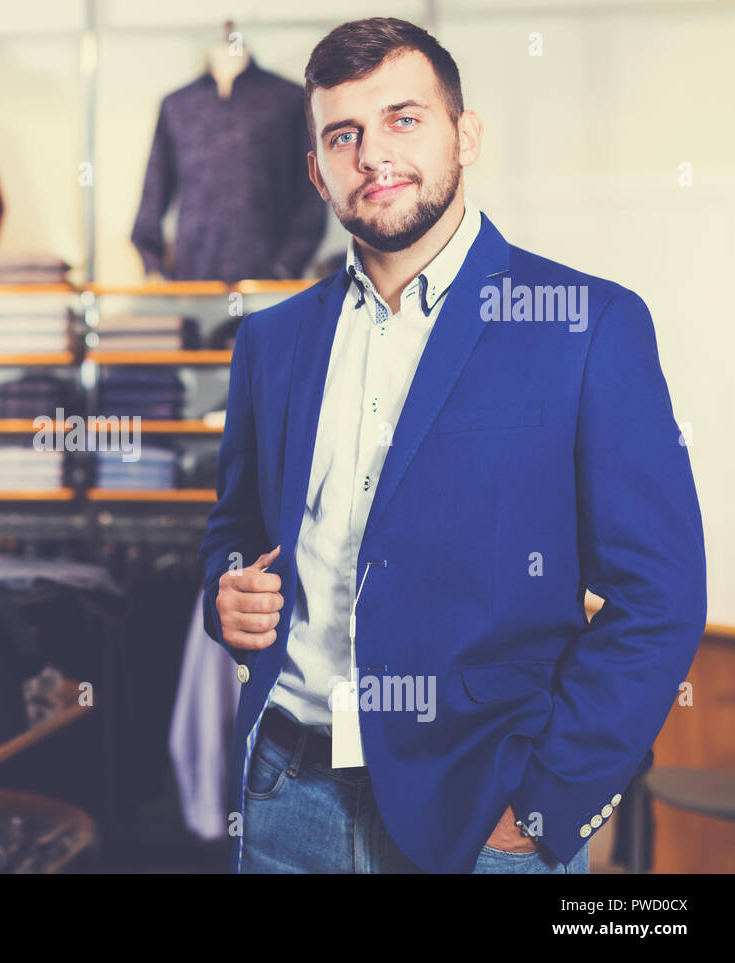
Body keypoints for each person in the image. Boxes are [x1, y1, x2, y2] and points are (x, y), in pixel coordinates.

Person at [197, 16, 707, 874]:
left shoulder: (587, 324)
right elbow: (235, 527)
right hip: (284, 796)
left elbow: (658, 600)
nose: (373, 156)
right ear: (317, 171)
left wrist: (543, 810)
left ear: (464, 135)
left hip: (483, 818)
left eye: (404, 119)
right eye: (343, 134)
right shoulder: (271, 342)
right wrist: (227, 588)